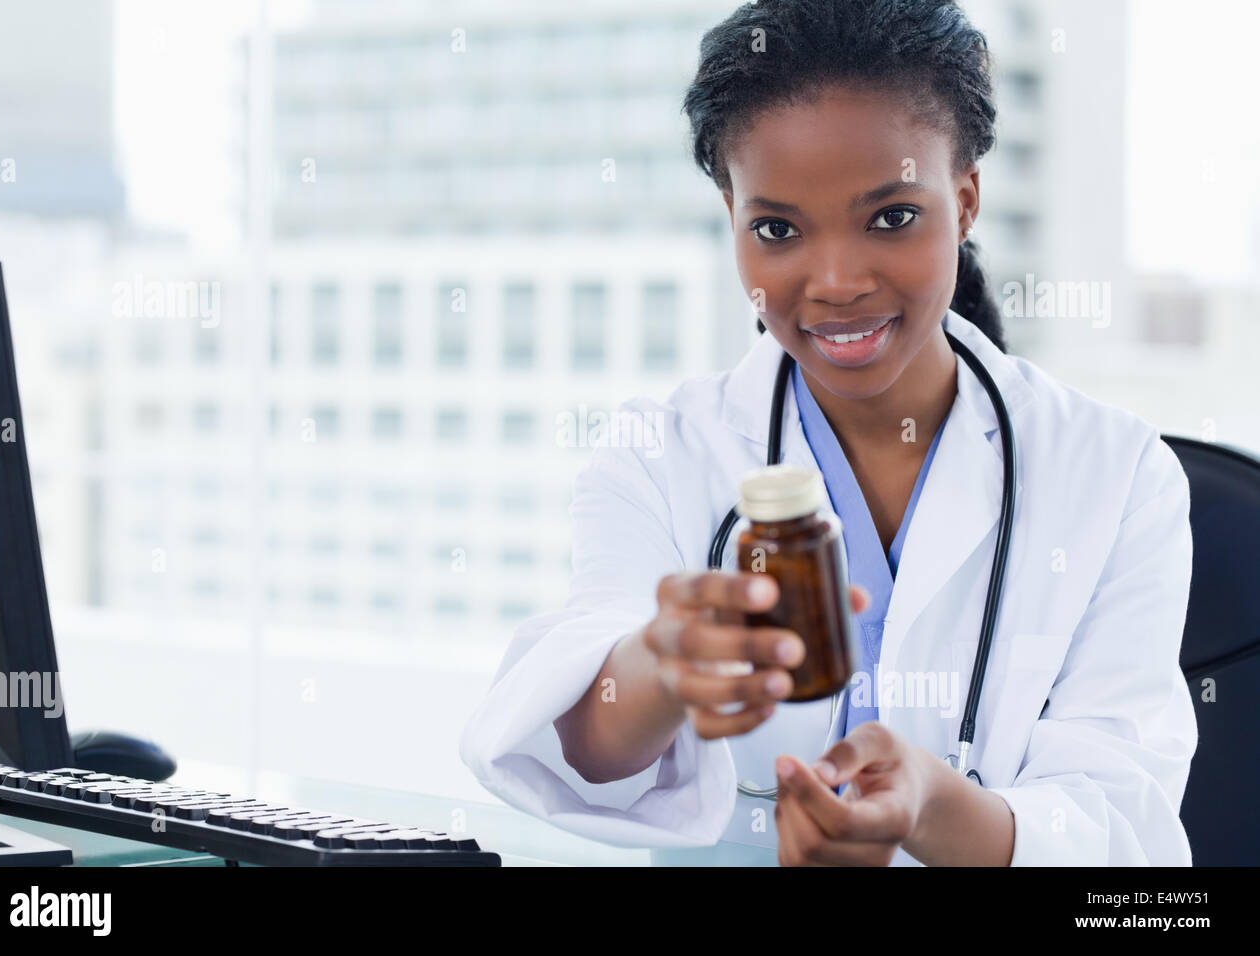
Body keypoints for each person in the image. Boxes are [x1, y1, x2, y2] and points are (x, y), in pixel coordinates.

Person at [459, 0, 1196, 866]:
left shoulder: (1117, 473)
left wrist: (931, 809)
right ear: (730, 214)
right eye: (777, 229)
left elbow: (1125, 825)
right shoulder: (659, 455)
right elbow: (580, 750)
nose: (837, 282)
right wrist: (663, 667)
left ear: (963, 201)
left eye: (891, 217)